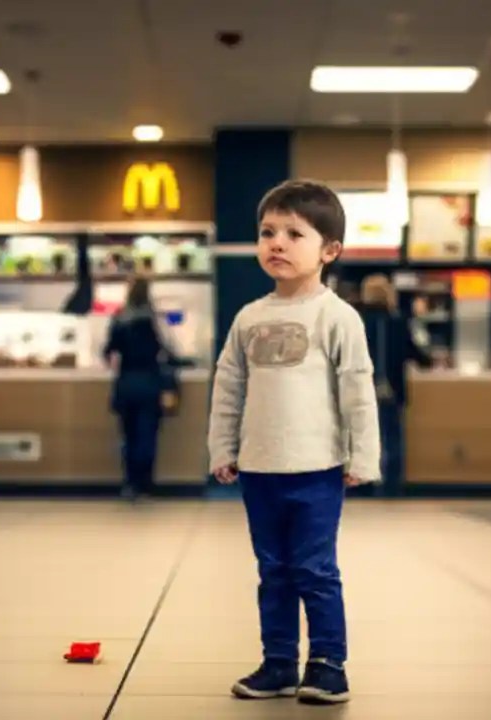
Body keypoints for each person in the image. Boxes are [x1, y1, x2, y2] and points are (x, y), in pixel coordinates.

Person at [208, 180, 380, 705]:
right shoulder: (249, 318)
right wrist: (223, 448)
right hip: (259, 469)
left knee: (315, 569)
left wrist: (363, 456)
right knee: (274, 571)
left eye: (293, 234)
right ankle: (279, 662)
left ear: (330, 250)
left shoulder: (337, 316)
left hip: (317, 468)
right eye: (267, 233)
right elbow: (228, 388)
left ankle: (328, 664)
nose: (276, 243)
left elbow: (358, 390)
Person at [358, 274, 434, 496]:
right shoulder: (399, 322)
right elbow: (417, 355)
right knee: (392, 438)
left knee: (364, 439)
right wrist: (430, 361)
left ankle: (365, 486)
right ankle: (391, 486)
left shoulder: (357, 323)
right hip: (392, 389)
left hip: (362, 391)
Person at [104, 276, 176, 499]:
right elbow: (169, 352)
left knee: (128, 436)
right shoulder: (155, 321)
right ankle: (146, 484)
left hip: (126, 383)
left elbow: (108, 351)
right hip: (150, 384)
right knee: (147, 436)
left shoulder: (119, 319)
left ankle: (130, 483)